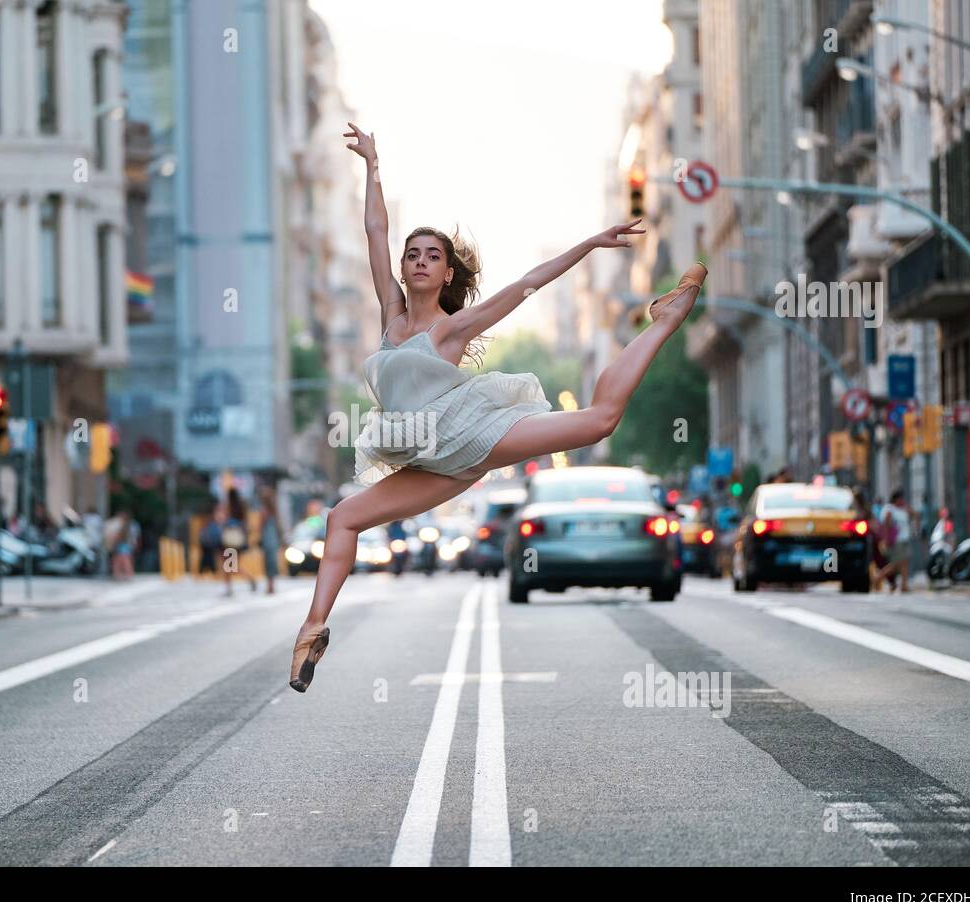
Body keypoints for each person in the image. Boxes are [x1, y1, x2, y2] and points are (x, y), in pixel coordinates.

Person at [287, 123, 707, 692]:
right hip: (428, 458)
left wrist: (588, 244)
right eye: (411, 255)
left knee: (598, 421)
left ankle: (664, 323)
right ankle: (314, 629)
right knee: (343, 518)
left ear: (447, 273)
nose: (417, 262)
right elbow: (374, 228)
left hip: (469, 434)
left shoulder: (453, 326)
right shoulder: (390, 314)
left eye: (431, 256)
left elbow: (529, 283)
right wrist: (373, 163)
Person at [221, 487, 257, 596]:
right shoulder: (241, 506)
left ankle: (230, 588)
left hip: (229, 538)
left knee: (229, 565)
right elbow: (245, 523)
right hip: (238, 538)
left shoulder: (228, 507)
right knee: (232, 565)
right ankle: (248, 579)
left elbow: (224, 520)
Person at [880, 489, 914, 593]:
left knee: (905, 563)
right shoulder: (890, 509)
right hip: (896, 541)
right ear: (896, 499)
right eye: (901, 499)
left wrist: (907, 507)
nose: (903, 500)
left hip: (905, 539)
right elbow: (886, 526)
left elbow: (913, 515)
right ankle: (878, 577)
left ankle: (904, 585)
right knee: (896, 564)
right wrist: (885, 540)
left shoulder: (903, 509)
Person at [257, 485, 284, 594]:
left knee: (268, 563)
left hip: (267, 539)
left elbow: (261, 526)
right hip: (274, 540)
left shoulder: (264, 511)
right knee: (273, 562)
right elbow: (278, 526)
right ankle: (272, 585)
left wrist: (259, 537)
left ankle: (270, 585)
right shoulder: (274, 511)